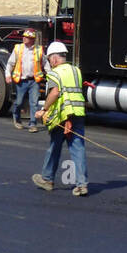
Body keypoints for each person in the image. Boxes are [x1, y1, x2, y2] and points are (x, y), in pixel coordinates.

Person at [32, 41, 88, 197]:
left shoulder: (54, 74)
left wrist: (43, 110)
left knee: (54, 147)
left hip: (62, 116)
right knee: (78, 148)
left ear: (55, 59)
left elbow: (55, 93)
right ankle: (82, 185)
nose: (50, 62)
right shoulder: (76, 70)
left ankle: (47, 179)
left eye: (50, 59)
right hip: (77, 113)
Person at [5, 28, 48, 131]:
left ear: (32, 39)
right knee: (19, 102)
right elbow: (10, 63)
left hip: (34, 81)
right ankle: (17, 119)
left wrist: (51, 75)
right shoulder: (18, 49)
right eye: (24, 37)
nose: (24, 38)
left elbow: (45, 64)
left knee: (34, 103)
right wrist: (7, 75)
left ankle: (32, 124)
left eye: (27, 37)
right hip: (21, 81)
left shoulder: (38, 50)